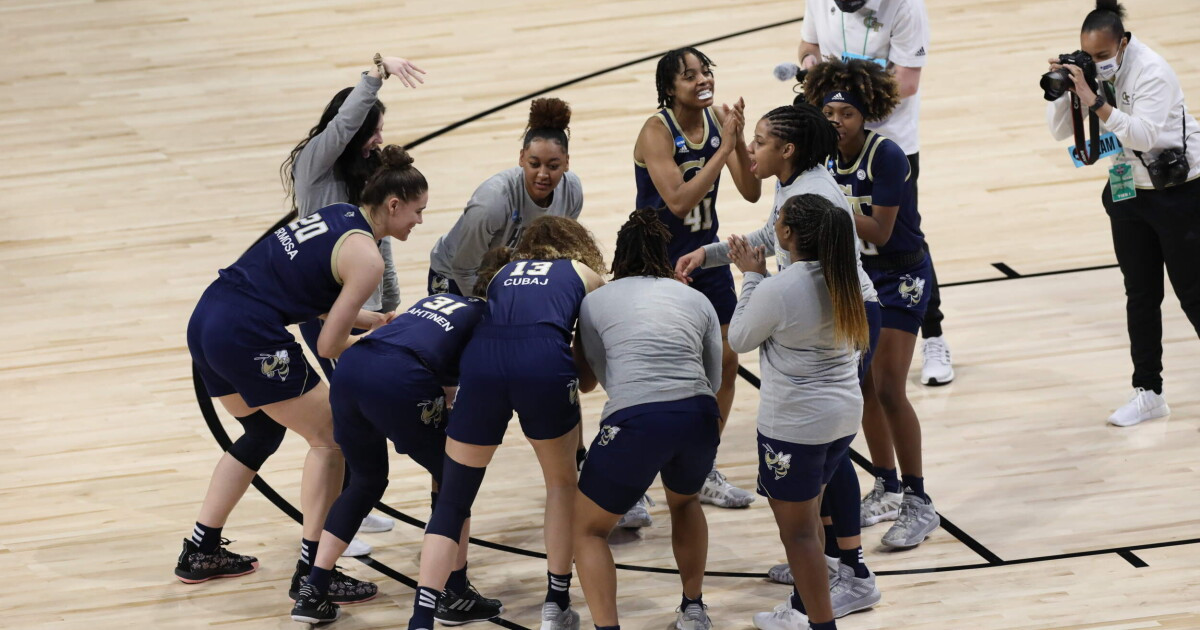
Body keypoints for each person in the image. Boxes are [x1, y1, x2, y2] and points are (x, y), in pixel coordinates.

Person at [180, 146, 426, 605]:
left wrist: (371, 321)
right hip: (248, 332)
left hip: (210, 314)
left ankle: (201, 548)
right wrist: (380, 344)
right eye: (417, 212)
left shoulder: (339, 213)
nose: (419, 222)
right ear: (394, 205)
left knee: (260, 429)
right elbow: (328, 346)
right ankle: (316, 573)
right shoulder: (369, 260)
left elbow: (303, 290)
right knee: (330, 437)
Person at [676, 103, 881, 615]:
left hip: (840, 305)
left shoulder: (810, 192)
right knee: (827, 446)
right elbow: (769, 239)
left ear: (786, 150)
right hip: (822, 299)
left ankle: (846, 568)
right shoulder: (796, 183)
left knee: (822, 443)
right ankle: (829, 561)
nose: (749, 149)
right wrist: (711, 253)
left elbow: (751, 316)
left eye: (759, 141)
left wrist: (753, 278)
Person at [408, 216, 606, 630]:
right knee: (561, 484)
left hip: (482, 366)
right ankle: (555, 603)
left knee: (453, 500)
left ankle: (423, 616)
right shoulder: (584, 273)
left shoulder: (501, 273)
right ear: (576, 245)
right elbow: (587, 380)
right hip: (542, 363)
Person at [280, 53, 427, 553]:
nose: (379, 140)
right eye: (375, 130)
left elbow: (378, 244)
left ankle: (352, 508)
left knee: (356, 412)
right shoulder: (315, 164)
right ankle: (337, 522)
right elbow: (345, 124)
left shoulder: (360, 180)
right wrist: (377, 74)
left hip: (357, 306)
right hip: (321, 306)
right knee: (348, 414)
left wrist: (390, 304)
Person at [290, 285, 503, 624]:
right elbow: (457, 388)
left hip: (351, 368)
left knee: (365, 480)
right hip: (399, 376)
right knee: (454, 483)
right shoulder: (490, 317)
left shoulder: (433, 300)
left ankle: (312, 589)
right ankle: (455, 592)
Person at [805, 58, 940, 548]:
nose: (837, 120)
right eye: (831, 112)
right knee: (861, 384)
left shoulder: (888, 155)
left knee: (887, 385)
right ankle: (884, 484)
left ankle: (919, 500)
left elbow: (881, 230)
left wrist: (825, 208)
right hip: (857, 277)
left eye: (846, 112)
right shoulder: (821, 159)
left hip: (901, 270)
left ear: (866, 116)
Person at [1046, 0, 1200, 427]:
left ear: (1123, 43)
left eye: (1102, 56)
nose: (1096, 63)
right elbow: (1060, 131)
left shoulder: (1152, 70)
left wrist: (1093, 99)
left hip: (1179, 191)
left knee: (1193, 293)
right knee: (1141, 295)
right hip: (1128, 190)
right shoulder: (1089, 76)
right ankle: (1148, 392)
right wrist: (1066, 91)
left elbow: (1145, 134)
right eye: (1088, 55)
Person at [574, 208, 724, 630]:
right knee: (686, 502)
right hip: (699, 414)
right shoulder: (697, 299)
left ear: (618, 259)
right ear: (665, 255)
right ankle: (693, 609)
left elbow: (596, 378)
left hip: (635, 418)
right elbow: (712, 378)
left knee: (586, 530)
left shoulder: (595, 300)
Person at [727, 194, 869, 630]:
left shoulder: (780, 288)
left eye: (778, 221)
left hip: (794, 428)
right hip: (843, 419)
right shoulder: (847, 275)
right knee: (809, 524)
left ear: (787, 235)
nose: (774, 225)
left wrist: (751, 277)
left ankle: (819, 624)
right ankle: (806, 609)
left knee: (801, 535)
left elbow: (739, 338)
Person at [797, 0, 954, 387]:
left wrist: (847, 97)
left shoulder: (905, 7)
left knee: (901, 237)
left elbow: (907, 81)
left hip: (890, 141)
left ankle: (932, 335)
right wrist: (814, 75)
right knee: (837, 230)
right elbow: (807, 49)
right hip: (835, 131)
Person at [633, 46, 761, 513]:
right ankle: (633, 479)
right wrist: (725, 148)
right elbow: (678, 201)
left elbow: (750, 192)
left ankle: (702, 466)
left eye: (705, 71)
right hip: (654, 264)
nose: (702, 79)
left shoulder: (718, 122)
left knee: (727, 362)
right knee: (656, 375)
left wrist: (739, 140)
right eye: (690, 75)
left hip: (706, 259)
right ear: (670, 87)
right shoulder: (655, 130)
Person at [429, 98, 583, 298]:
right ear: (521, 158)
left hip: (507, 273)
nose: (543, 175)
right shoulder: (491, 202)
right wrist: (494, 310)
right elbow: (463, 269)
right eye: (534, 164)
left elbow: (557, 253)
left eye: (553, 166)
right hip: (454, 275)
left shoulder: (572, 191)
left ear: (567, 163)